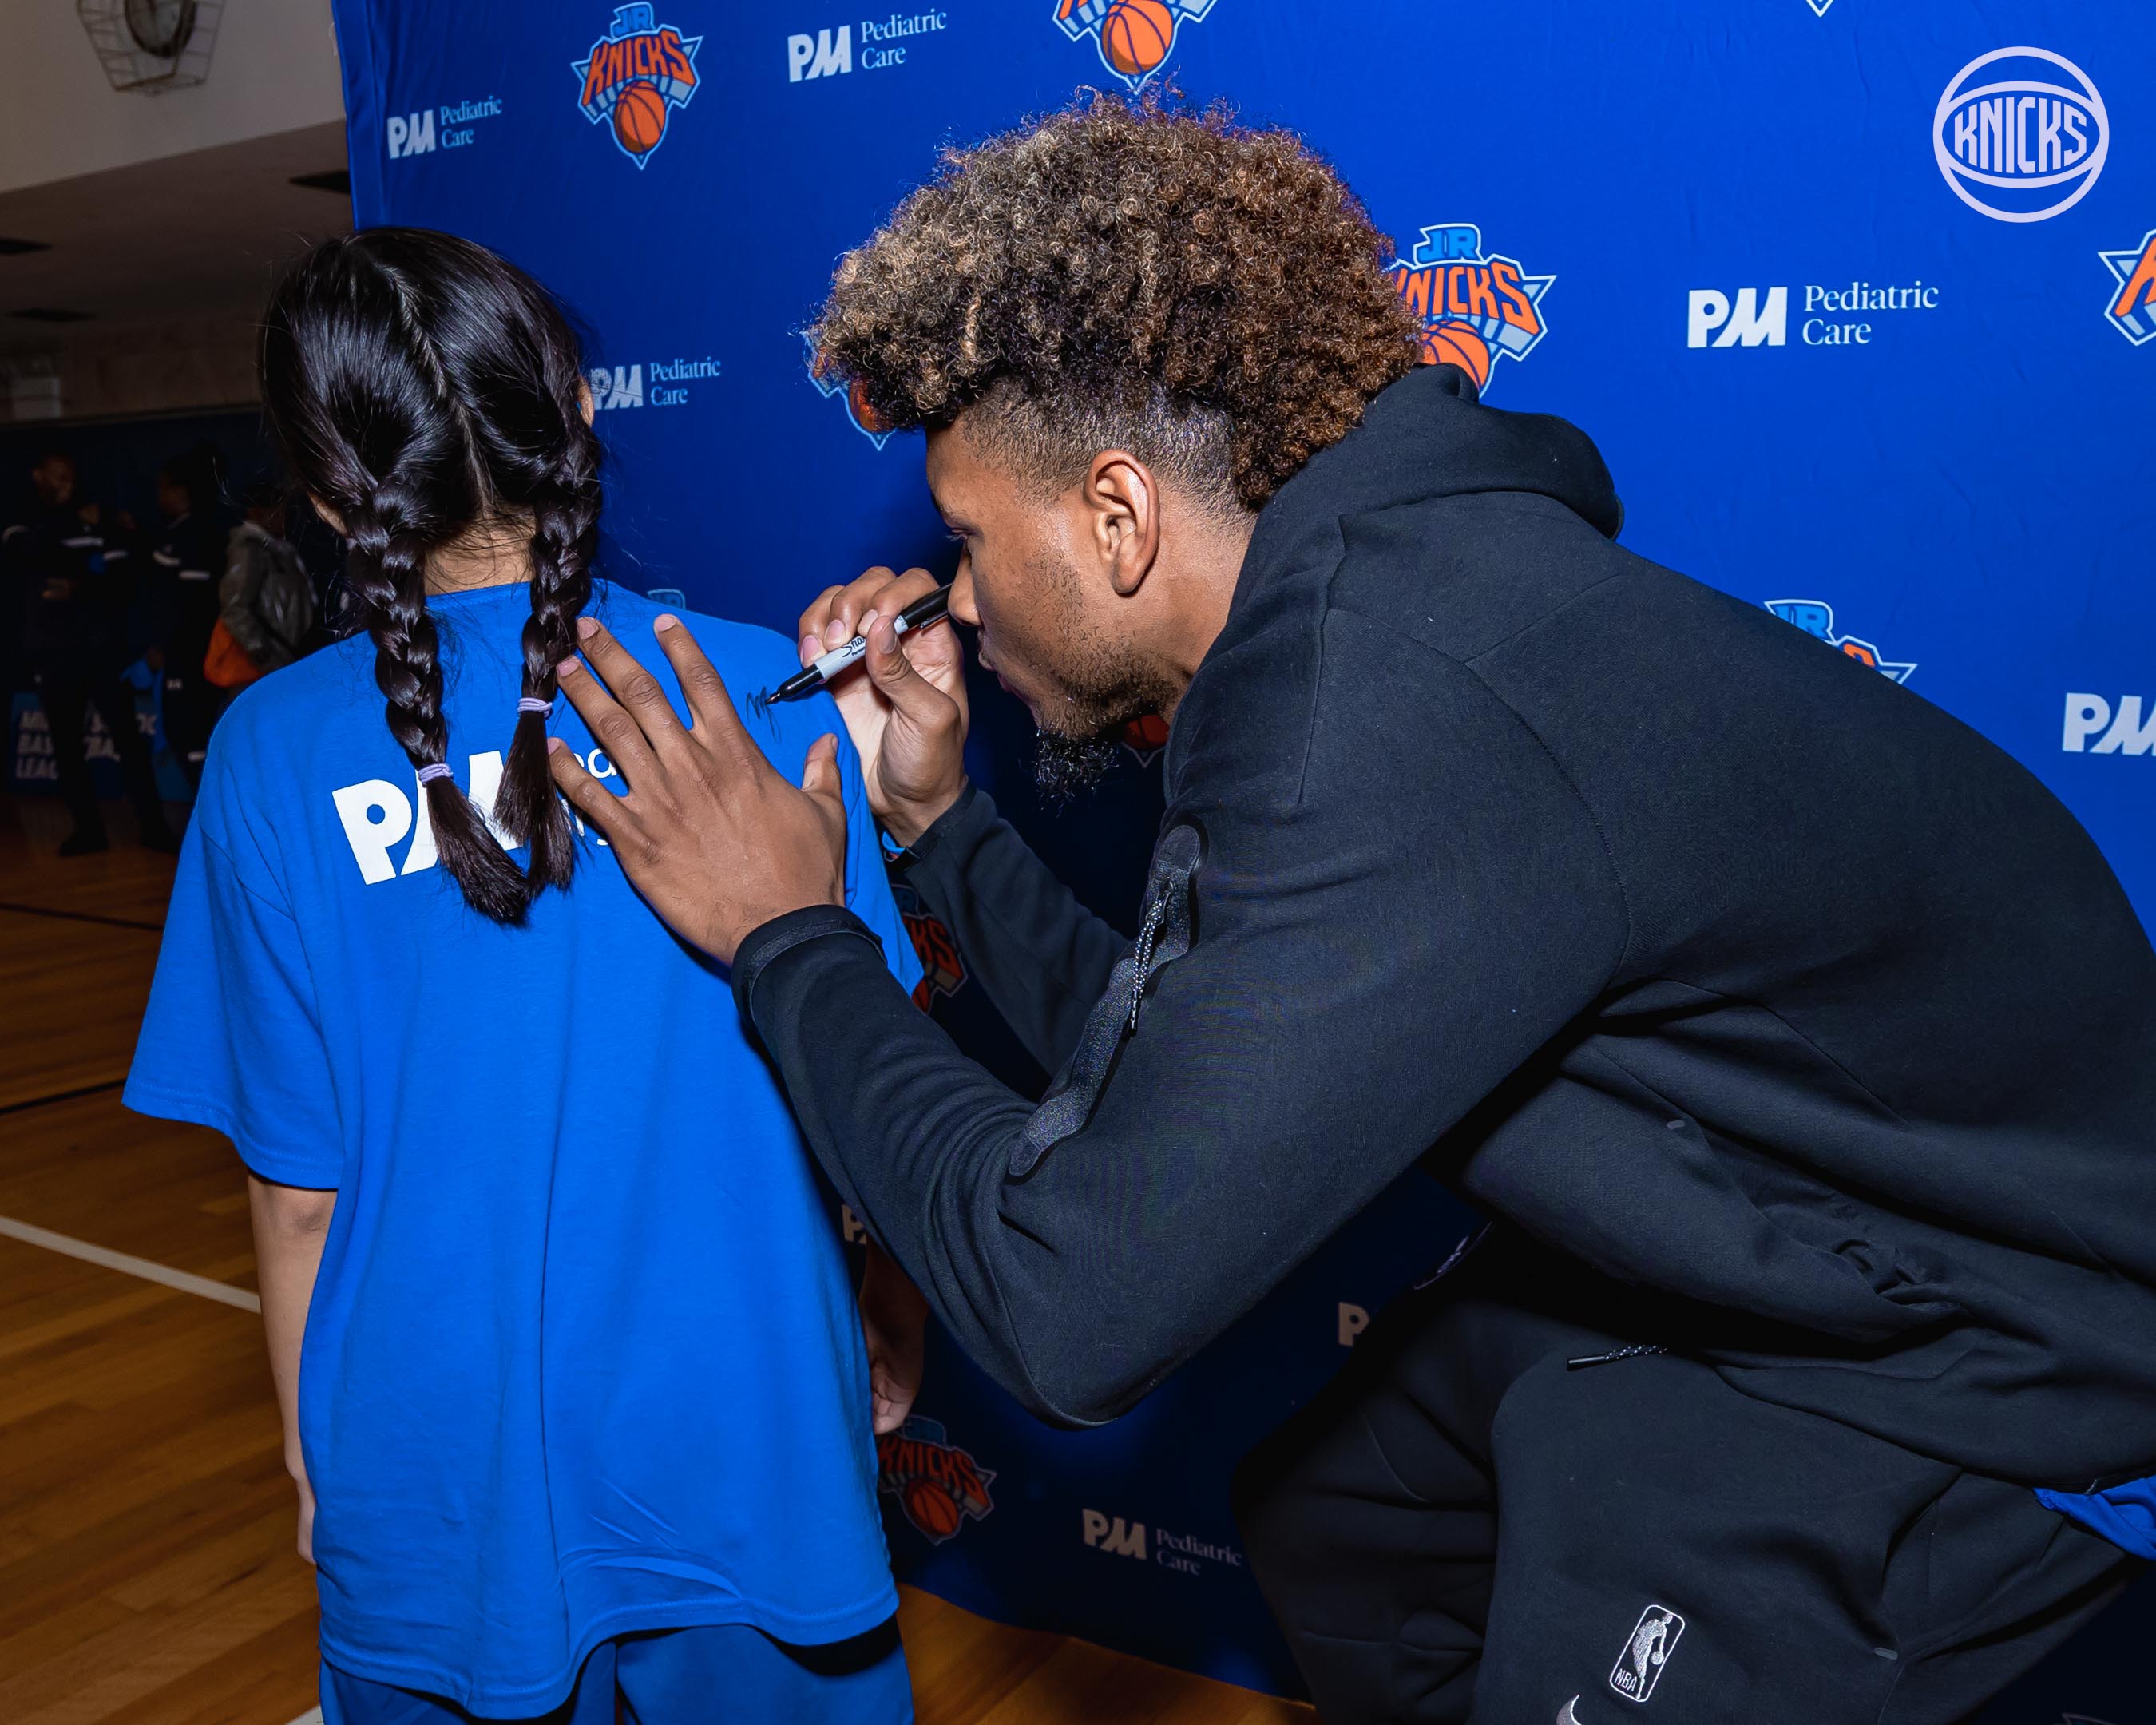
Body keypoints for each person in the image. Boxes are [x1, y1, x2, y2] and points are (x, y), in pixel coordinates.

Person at [542, 97, 2156, 1725]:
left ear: (1117, 517)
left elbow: (1068, 1302)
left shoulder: (1381, 709)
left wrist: (785, 935)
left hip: (1997, 1354)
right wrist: (941, 826)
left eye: (967, 539)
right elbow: (1184, 1088)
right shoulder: (1359, 607)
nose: (953, 595)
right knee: (1340, 1526)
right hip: (1776, 1234)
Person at [123, 229, 926, 1725]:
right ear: (578, 409)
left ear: (325, 497)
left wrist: (312, 1457)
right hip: (747, 1436)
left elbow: (300, 1199)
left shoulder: (269, 755)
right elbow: (869, 1095)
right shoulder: (761, 688)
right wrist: (890, 1312)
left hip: (437, 1474)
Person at [4, 449, 179, 855]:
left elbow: (121, 582)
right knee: (66, 745)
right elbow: (24, 552)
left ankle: (153, 827)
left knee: (128, 741)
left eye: (70, 474)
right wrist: (70, 523)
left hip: (102, 650)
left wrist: (79, 586)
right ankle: (88, 831)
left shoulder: (99, 519)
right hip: (54, 653)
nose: (65, 482)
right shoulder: (24, 517)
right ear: (38, 475)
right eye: (57, 474)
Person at [145, 442, 232, 787]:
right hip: (188, 654)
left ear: (180, 490)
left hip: (193, 656)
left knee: (189, 733)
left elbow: (192, 605)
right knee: (186, 733)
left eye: (163, 487)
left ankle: (208, 815)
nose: (158, 495)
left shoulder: (195, 534)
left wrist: (171, 648)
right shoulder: (179, 533)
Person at [212, 482, 319, 684]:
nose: (283, 518)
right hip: (261, 670)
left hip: (287, 658)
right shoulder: (249, 550)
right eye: (276, 511)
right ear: (256, 511)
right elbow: (234, 608)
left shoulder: (278, 548)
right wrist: (263, 653)